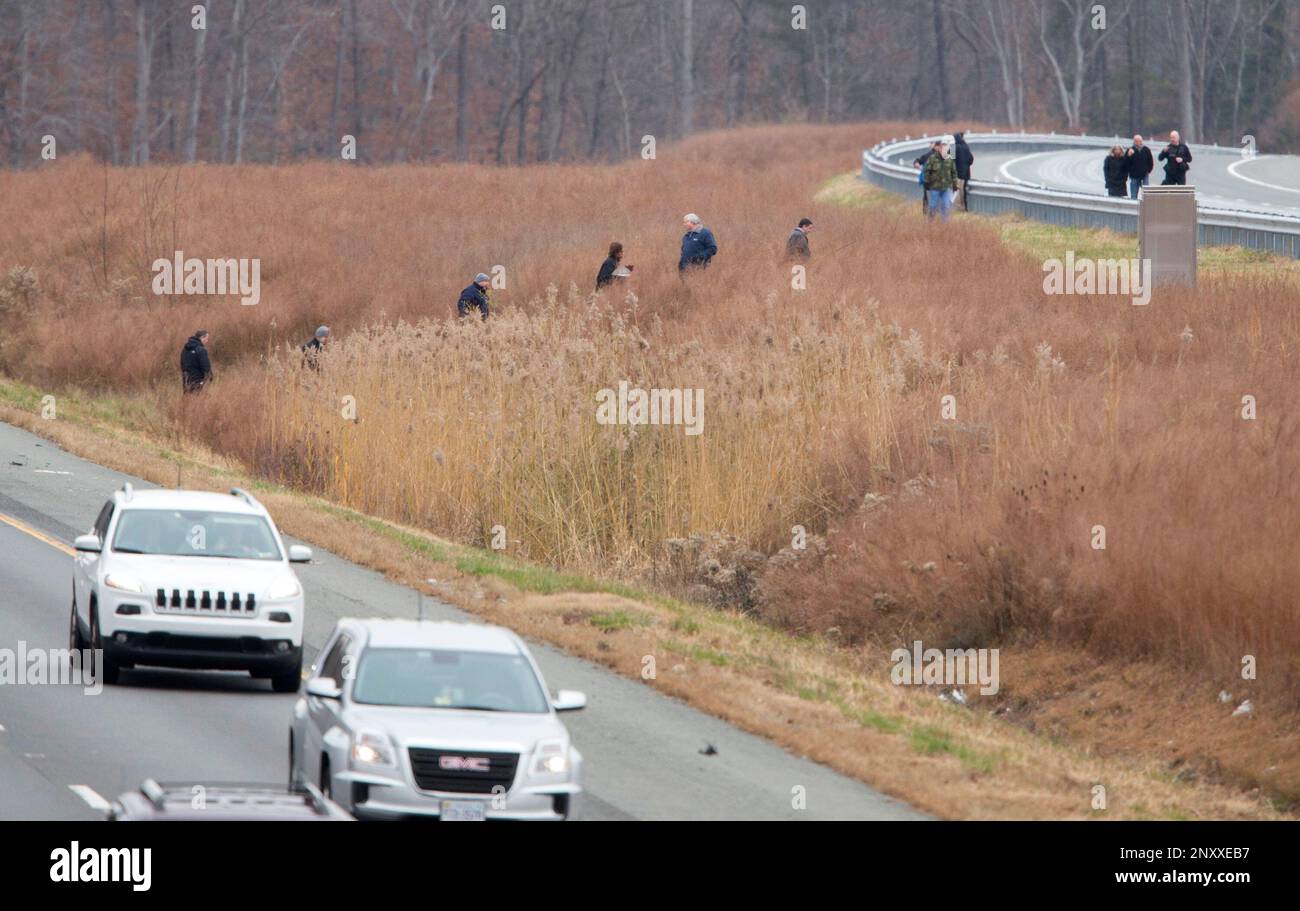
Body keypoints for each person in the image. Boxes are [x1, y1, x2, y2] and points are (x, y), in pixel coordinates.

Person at [923, 137, 958, 222]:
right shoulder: (932, 159)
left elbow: (954, 173)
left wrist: (954, 184)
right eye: (943, 148)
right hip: (935, 187)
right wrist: (927, 182)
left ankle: (945, 224)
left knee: (946, 206)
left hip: (946, 187)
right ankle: (930, 222)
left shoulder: (950, 160)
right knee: (933, 206)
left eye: (946, 148)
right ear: (939, 148)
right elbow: (927, 171)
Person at [913, 141, 941, 214]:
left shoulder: (929, 155)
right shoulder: (929, 155)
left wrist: (916, 163)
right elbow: (918, 160)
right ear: (936, 146)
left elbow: (918, 160)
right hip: (932, 182)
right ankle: (930, 215)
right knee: (933, 199)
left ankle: (927, 215)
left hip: (929, 182)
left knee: (928, 199)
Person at [1125, 134, 1154, 199]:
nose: (1138, 142)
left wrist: (1148, 170)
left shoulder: (1146, 150)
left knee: (1146, 195)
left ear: (1141, 141)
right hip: (1134, 175)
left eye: (1139, 140)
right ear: (1134, 141)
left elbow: (1150, 162)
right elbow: (1125, 163)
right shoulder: (1130, 150)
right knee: (1134, 195)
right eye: (1136, 141)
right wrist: (1128, 156)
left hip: (1144, 175)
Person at [953, 132, 975, 210]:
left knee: (957, 191)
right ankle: (965, 207)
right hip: (966, 174)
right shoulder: (966, 147)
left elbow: (950, 161)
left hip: (957, 174)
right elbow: (971, 159)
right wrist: (966, 165)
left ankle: (959, 208)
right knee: (963, 190)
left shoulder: (953, 147)